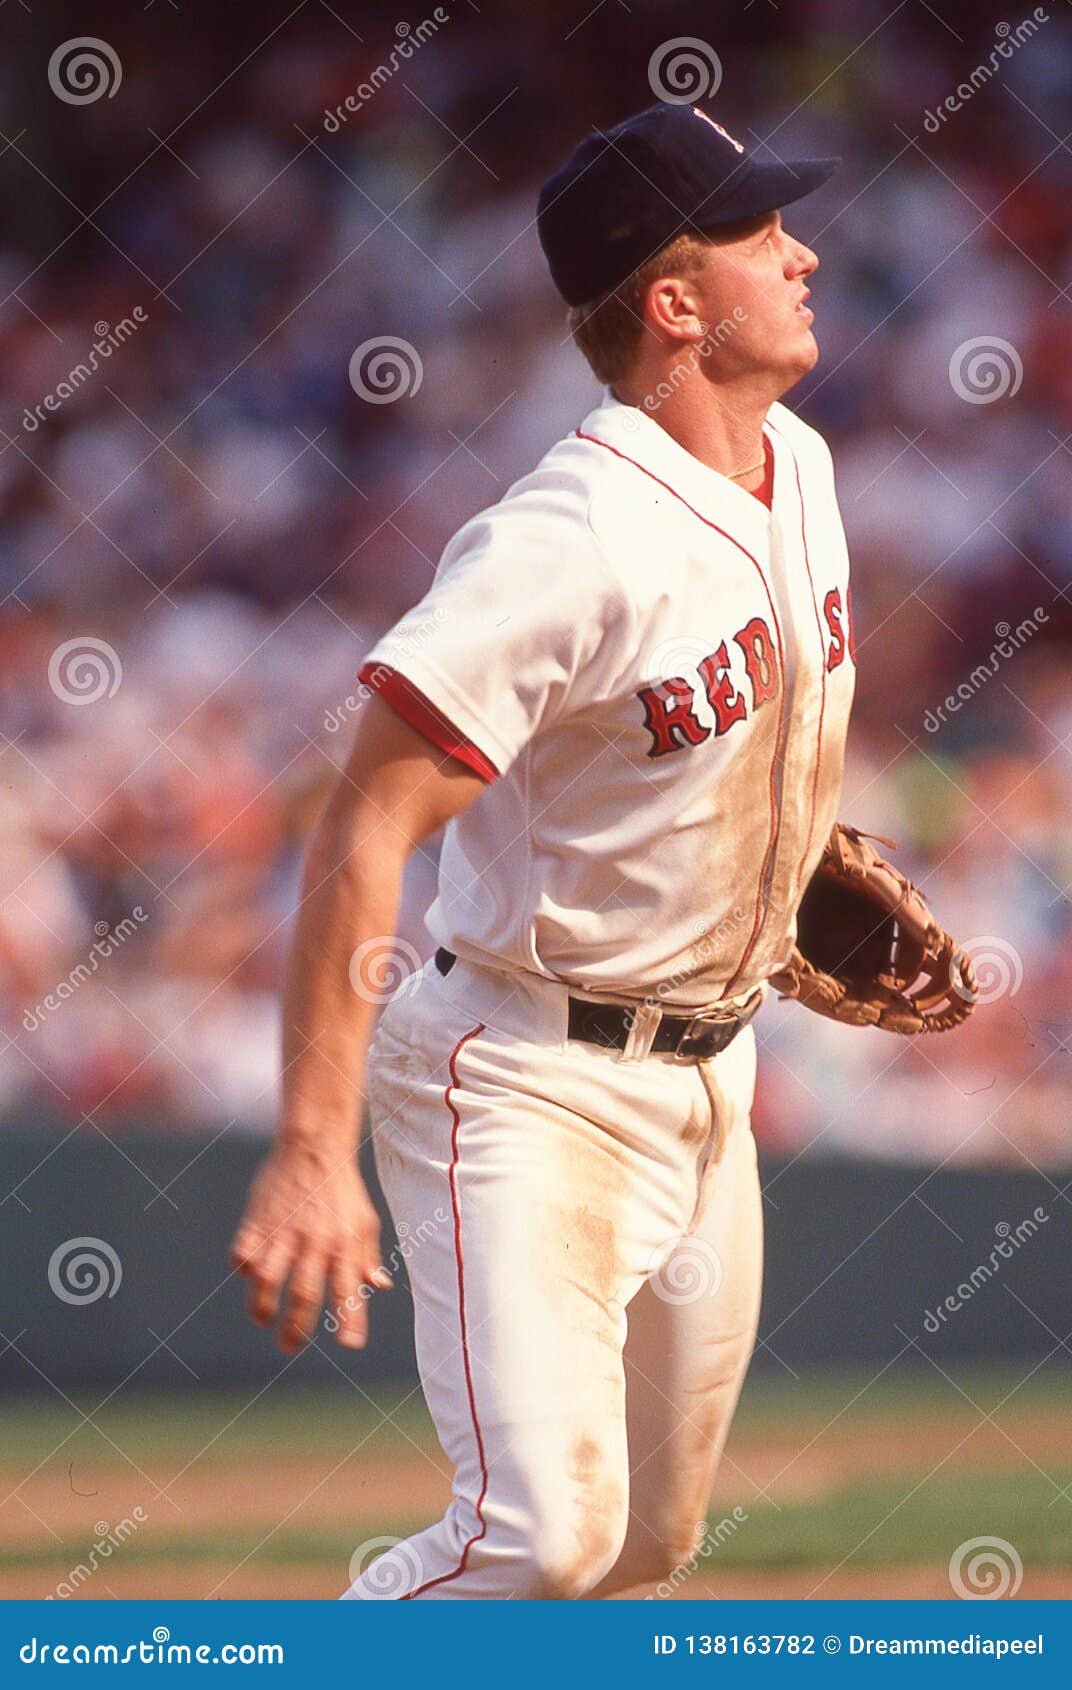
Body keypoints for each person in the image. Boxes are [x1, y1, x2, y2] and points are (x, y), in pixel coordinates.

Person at [230, 102, 852, 1600]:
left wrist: (788, 884)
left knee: (643, 1548)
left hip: (712, 1076)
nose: (806, 251)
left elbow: (710, 759)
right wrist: (313, 1150)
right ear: (677, 304)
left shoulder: (804, 471)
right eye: (764, 236)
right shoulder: (565, 537)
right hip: (524, 1076)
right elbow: (365, 820)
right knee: (537, 1540)